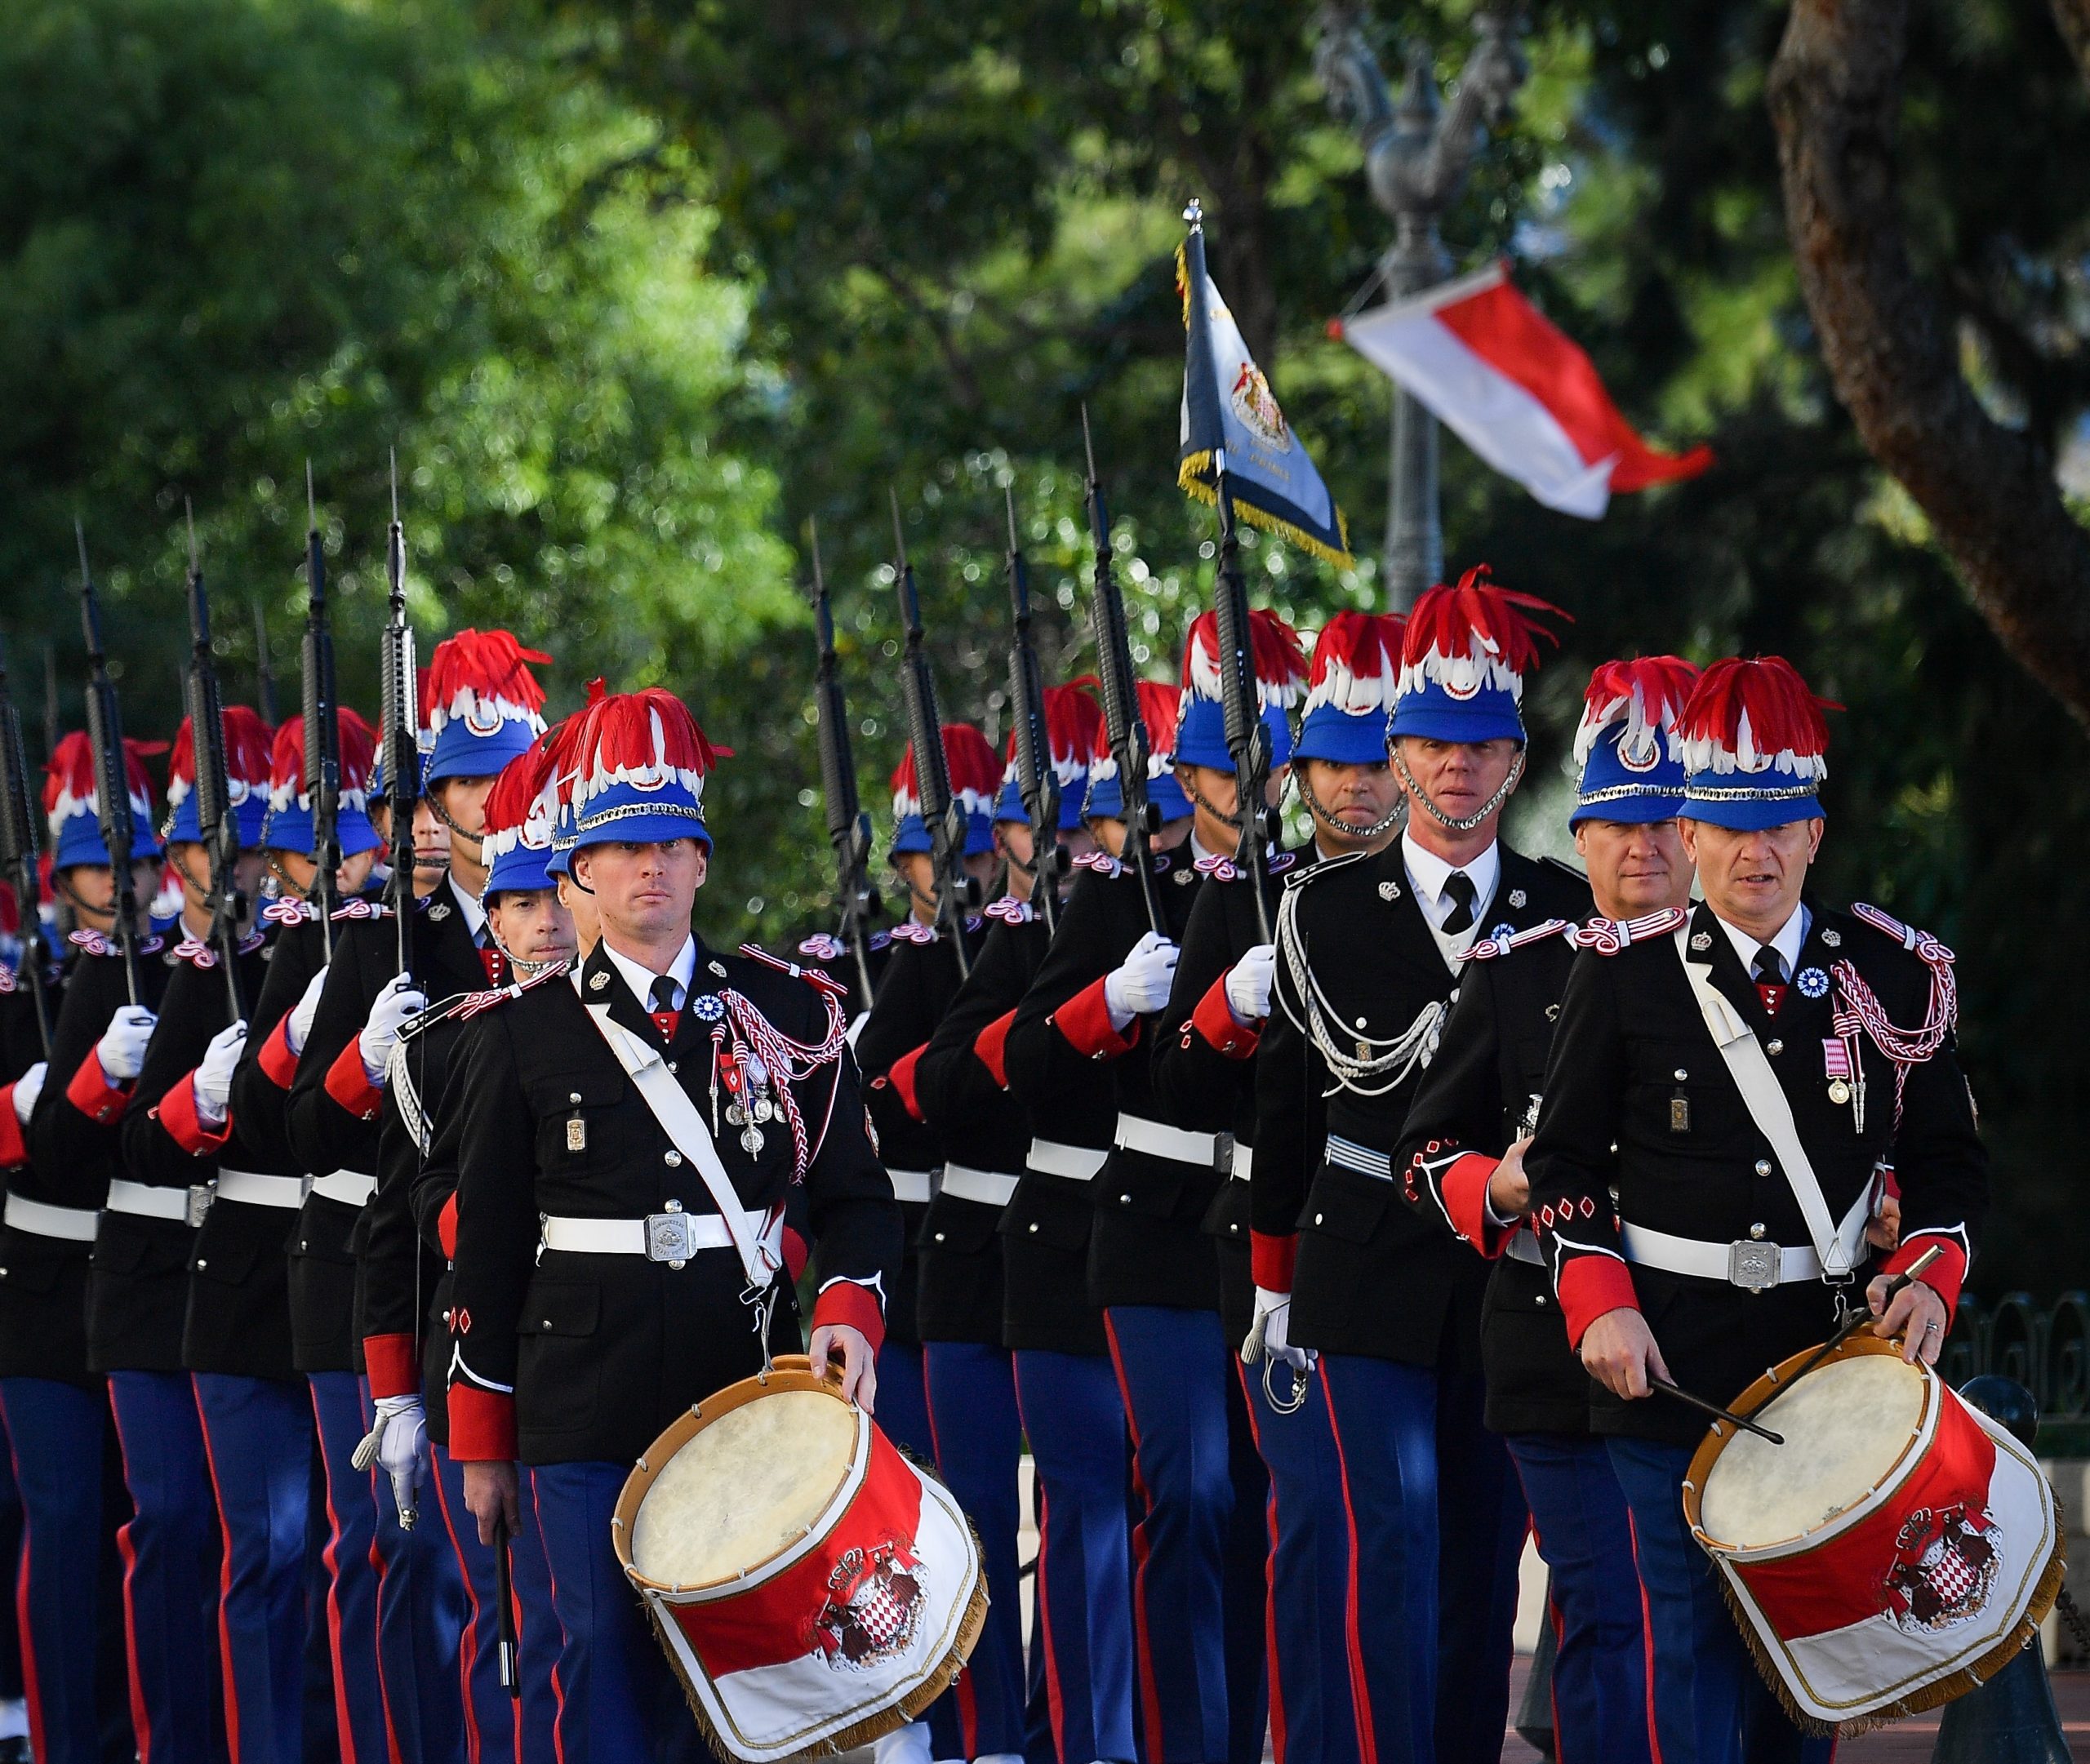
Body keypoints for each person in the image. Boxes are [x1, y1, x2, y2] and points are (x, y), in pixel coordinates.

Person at [1525, 655, 1986, 1764]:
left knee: (1798, 1660)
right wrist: (1596, 1301)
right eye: (1731, 825)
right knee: (1678, 1642)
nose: (1757, 850)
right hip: (1669, 1360)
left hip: (1822, 1372)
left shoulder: (1891, 976)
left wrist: (1929, 1271)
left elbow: (1950, 1164)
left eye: (1782, 822)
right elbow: (1565, 1161)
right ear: (1686, 833)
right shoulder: (1624, 974)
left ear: (1816, 833)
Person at [444, 686, 901, 1762]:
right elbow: (492, 1250)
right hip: (578, 1400)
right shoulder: (519, 1037)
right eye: (627, 846)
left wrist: (846, 1313)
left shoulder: (784, 1012)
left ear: (702, 863)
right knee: (601, 1653)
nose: (652, 865)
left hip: (736, 1389)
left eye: (673, 844)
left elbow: (855, 1202)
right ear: (581, 874)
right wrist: (483, 1443)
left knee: (731, 1667)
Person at [1252, 567, 1585, 1764]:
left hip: (1502, 1272)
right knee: (1385, 1537)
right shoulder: (1321, 907)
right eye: (1434, 742)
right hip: (1361, 1262)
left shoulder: (1562, 910)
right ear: (1395, 754)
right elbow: (1285, 1113)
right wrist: (1269, 1284)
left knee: (1484, 1555)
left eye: (1482, 745)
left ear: (1513, 763)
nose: (1457, 766)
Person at [1396, 658, 1705, 1764]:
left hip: (1704, 1346)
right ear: (1580, 840)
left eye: (1668, 823)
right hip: (1551, 1343)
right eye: (1619, 826)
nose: (1644, 849)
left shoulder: (1748, 978)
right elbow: (1426, 1151)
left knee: (1704, 1624)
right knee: (1610, 1604)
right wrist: (1507, 1185)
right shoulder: (1520, 974)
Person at [291, 631, 552, 1761]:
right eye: (467, 785)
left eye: (507, 778)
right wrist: (364, 1053)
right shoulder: (383, 939)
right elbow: (304, 1130)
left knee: (545, 1586)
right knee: (428, 1568)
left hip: (556, 1302)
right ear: (433, 801)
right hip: (414, 1284)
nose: (490, 803)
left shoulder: (566, 917)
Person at [1154, 609, 1407, 1764]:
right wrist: (1229, 1010)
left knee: (1413, 1531)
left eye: (1372, 764)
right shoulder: (1251, 894)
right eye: (1332, 768)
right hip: (1277, 1250)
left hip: (1425, 1252)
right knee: (1306, 1523)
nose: (1356, 792)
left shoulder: (1429, 903)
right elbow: (1179, 1080)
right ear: (1294, 774)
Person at [1008, 676, 1242, 1764]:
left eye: (1264, 768)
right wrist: (1111, 1003)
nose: (1251, 789)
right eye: (1227, 769)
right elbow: (1025, 1062)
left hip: (1270, 1222)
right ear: (1187, 778)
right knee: (1187, 1494)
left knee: (1261, 1505)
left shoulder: (1319, 889)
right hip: (1152, 1223)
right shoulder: (1117, 895)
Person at [364, 729, 579, 1763]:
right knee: (505, 1624)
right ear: (491, 919)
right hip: (489, 1361)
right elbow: (391, 1227)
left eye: (555, 901)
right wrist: (396, 1393)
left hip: (604, 1355)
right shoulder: (445, 1041)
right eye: (523, 905)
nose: (546, 925)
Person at [907, 686, 1111, 1764]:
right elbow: (919, 1081)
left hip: (1084, 1243)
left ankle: (1077, 1736)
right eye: (1043, 831)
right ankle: (984, 1738)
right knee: (979, 1517)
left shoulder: (1113, 916)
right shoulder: (976, 945)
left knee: (1095, 1510)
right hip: (968, 1255)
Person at [99, 704, 272, 1763]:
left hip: (247, 1274)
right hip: (152, 1274)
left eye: (251, 843)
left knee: (266, 1543)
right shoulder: (161, 969)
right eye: (214, 845)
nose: (236, 865)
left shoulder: (287, 955)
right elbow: (123, 1147)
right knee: (170, 1527)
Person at [3, 731, 165, 1764]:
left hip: (146, 1277)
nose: (120, 883)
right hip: (45, 1288)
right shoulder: (23, 987)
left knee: (144, 1525)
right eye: (99, 867)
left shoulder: (179, 976)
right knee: (63, 1527)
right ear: (61, 881)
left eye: (134, 864)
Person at [852, 720, 1004, 1764]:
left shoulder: (1001, 946)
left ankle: (995, 1733)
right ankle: (908, 1727)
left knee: (980, 1512)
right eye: (925, 851)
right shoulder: (869, 960)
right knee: (899, 1522)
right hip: (889, 1249)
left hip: (978, 1244)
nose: (945, 870)